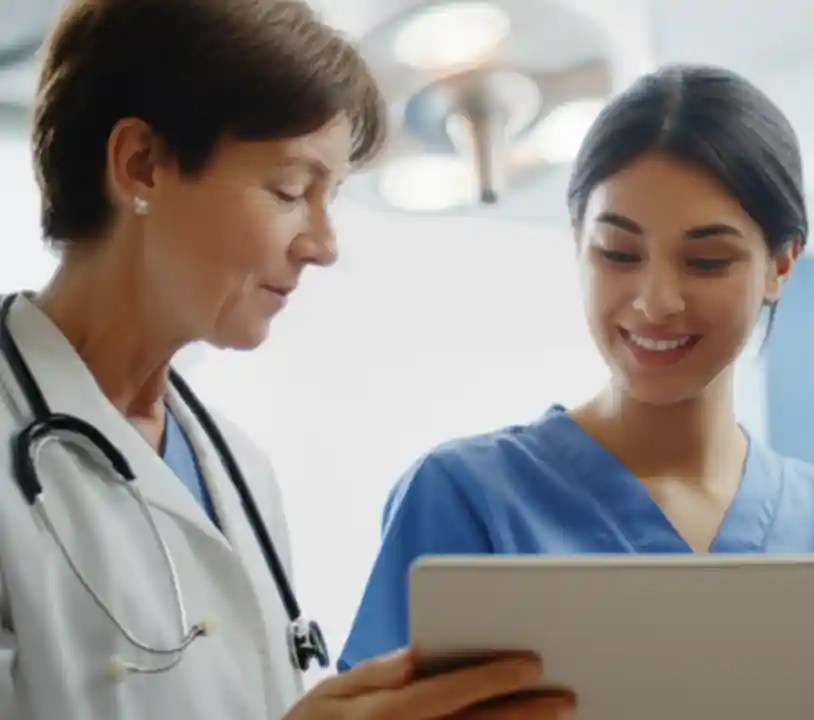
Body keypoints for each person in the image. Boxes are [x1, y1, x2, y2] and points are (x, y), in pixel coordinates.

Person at [0, 1, 573, 718]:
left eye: (330, 198)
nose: (324, 244)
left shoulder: (239, 473)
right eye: (291, 191)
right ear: (141, 164)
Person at [338, 63, 814, 719]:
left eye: (707, 260)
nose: (656, 302)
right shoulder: (463, 499)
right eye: (618, 252)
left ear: (780, 265)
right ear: (577, 241)